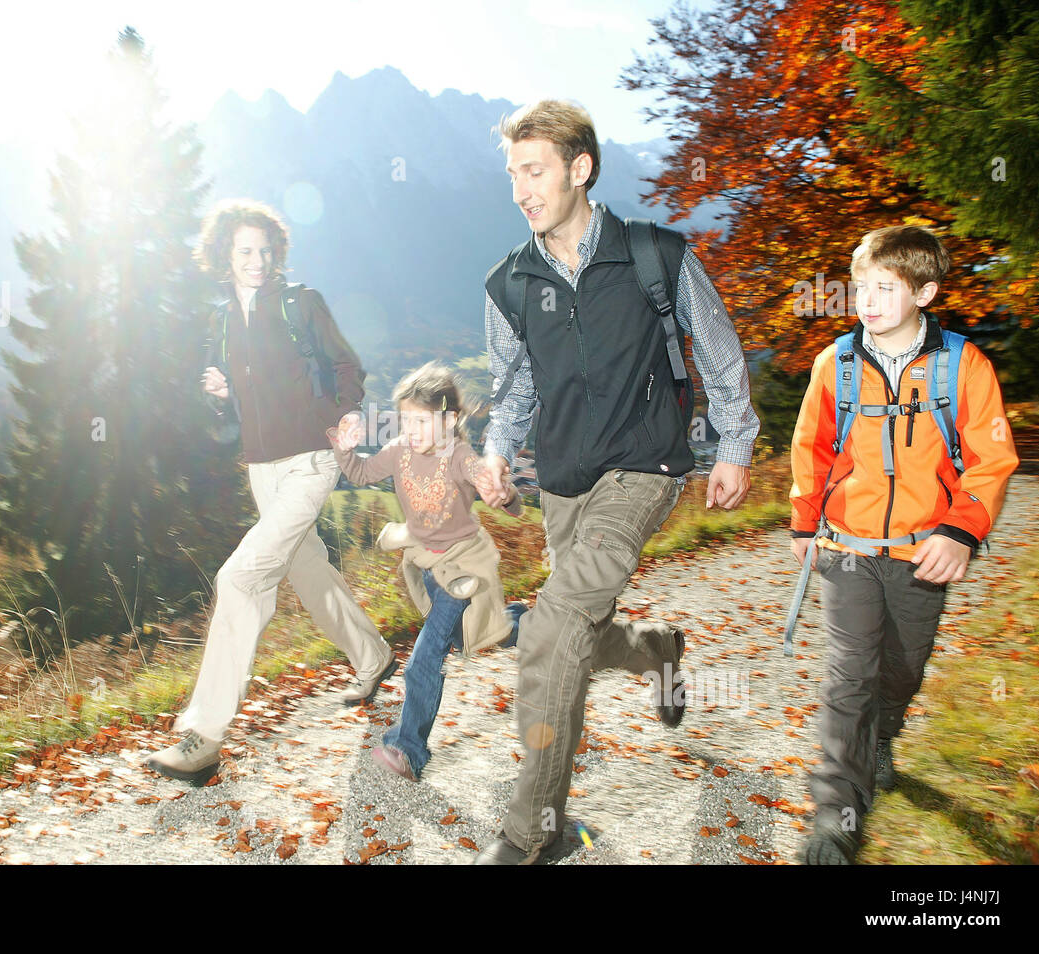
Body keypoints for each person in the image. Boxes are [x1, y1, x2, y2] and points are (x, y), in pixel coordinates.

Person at [470, 100, 760, 864]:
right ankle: (654, 650)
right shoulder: (508, 282)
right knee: (579, 637)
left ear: (579, 168)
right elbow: (514, 387)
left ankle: (533, 832)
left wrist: (734, 442)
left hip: (646, 465)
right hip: (564, 481)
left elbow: (719, 349)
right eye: (512, 175)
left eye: (534, 172)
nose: (520, 190)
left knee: (549, 631)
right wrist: (497, 447)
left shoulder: (654, 256)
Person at [788, 225, 1018, 864]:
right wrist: (806, 524)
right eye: (861, 288)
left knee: (901, 669)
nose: (867, 300)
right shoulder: (834, 364)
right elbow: (810, 448)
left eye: (885, 289)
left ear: (925, 292)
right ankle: (836, 818)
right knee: (848, 677)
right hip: (849, 551)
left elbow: (992, 458)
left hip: (924, 554)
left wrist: (962, 530)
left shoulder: (963, 365)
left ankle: (882, 736)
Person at [146, 200, 396, 783]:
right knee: (308, 569)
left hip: (311, 459)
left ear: (276, 253)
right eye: (244, 252)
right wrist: (217, 388)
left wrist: (346, 416)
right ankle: (372, 656)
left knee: (241, 578)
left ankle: (202, 736)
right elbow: (232, 396)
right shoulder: (222, 319)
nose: (256, 261)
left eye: (264, 250)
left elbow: (346, 366)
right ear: (223, 257)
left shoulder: (299, 303)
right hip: (262, 467)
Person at [327, 362, 529, 782]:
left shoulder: (458, 456)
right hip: (429, 564)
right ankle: (532, 624)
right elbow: (361, 472)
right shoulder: (400, 451)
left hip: (462, 568)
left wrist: (502, 491)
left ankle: (408, 748)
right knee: (479, 633)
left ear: (449, 421)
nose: (412, 429)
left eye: (421, 421)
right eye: (406, 420)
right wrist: (345, 449)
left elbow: (492, 485)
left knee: (425, 657)